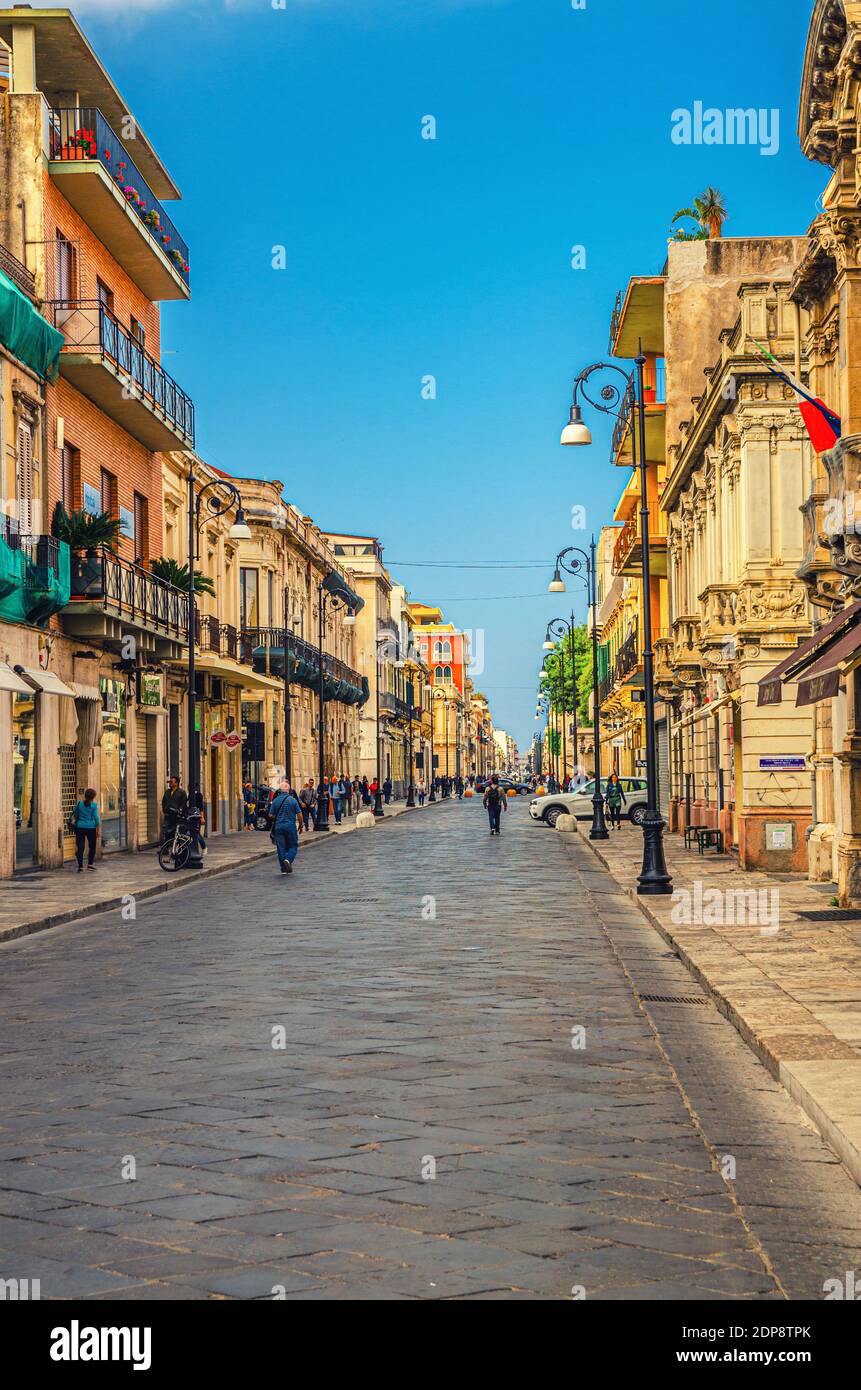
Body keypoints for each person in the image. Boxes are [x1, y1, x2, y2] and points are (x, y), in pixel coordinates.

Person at [269, 777, 303, 875]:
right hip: (290, 826)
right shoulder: (293, 800)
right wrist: (301, 825)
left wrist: (277, 817)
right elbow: (300, 815)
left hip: (279, 826)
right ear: (288, 790)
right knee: (293, 845)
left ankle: (283, 869)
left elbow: (270, 815)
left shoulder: (275, 801)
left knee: (281, 847)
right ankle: (288, 860)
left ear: (280, 790)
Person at [71, 788, 100, 871]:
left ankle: (80, 866)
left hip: (80, 827)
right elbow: (96, 818)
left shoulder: (79, 804)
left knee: (80, 847)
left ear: (85, 795)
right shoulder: (94, 805)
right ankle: (90, 864)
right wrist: (98, 827)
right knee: (92, 846)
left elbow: (74, 812)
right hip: (91, 828)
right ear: (93, 797)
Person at [161, 776, 188, 842]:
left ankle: (175, 847)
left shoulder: (182, 792)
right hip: (168, 816)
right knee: (166, 831)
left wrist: (179, 811)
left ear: (176, 783)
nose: (170, 783)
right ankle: (165, 848)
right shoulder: (167, 792)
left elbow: (183, 804)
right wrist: (165, 810)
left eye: (171, 782)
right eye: (170, 782)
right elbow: (163, 802)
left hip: (176, 816)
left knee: (175, 832)